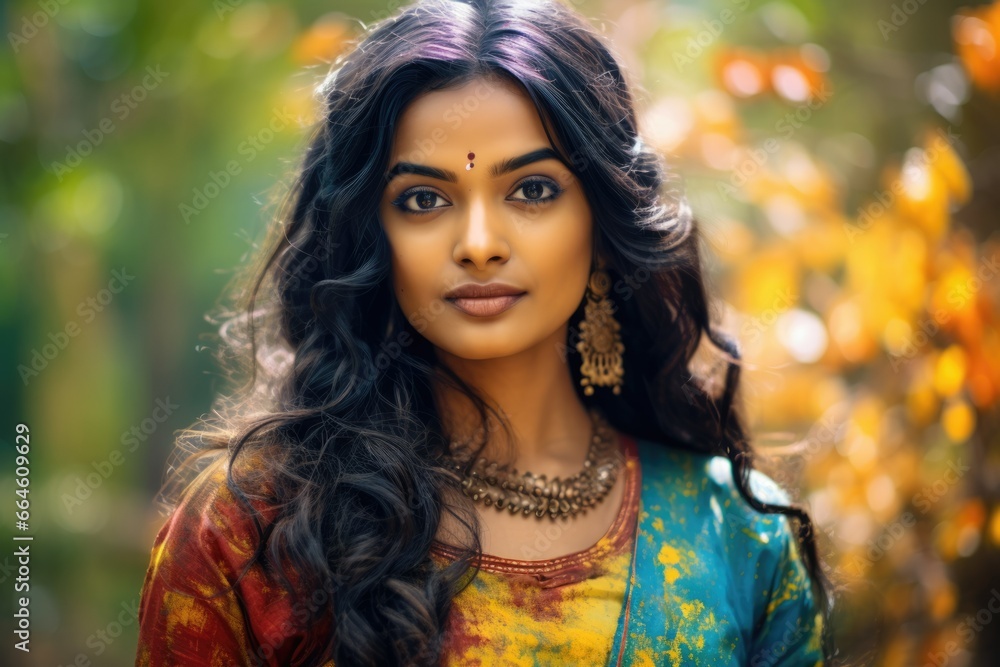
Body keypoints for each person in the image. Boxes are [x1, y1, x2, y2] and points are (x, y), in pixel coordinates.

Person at [135, 0, 833, 665]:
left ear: (602, 219)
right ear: (372, 237)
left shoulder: (739, 538)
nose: (478, 243)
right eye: (423, 199)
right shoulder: (256, 532)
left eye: (531, 190)